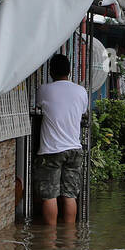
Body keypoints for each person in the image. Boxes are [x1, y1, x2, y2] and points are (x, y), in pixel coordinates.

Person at [35, 53, 90, 225]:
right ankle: (69, 238)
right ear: (69, 71)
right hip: (74, 149)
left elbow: (38, 106)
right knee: (70, 195)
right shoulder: (81, 91)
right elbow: (82, 113)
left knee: (50, 195)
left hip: (51, 150)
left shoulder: (44, 90)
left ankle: (49, 240)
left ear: (51, 71)